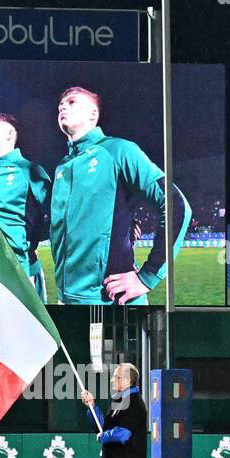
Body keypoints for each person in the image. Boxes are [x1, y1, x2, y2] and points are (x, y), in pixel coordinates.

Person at [49, 86, 191, 305]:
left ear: (93, 114)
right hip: (66, 299)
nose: (63, 107)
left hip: (108, 299)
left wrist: (148, 276)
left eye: (72, 102)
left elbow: (176, 205)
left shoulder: (118, 150)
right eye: (61, 105)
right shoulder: (62, 167)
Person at [0, 111, 52, 299]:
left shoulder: (29, 170)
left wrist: (28, 243)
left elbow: (53, 215)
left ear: (10, 135)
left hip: (21, 269)